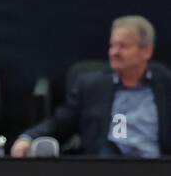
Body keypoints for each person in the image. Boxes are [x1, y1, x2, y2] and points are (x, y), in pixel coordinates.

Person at [11, 15, 169, 158]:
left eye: (123, 46)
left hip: (155, 169)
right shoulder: (92, 87)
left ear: (146, 51)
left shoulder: (165, 86)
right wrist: (28, 138)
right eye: (112, 45)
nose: (114, 52)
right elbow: (59, 124)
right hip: (105, 170)